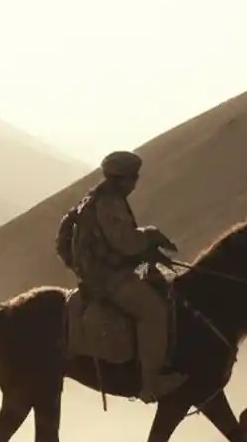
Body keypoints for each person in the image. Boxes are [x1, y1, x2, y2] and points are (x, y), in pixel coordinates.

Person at [64, 150, 186, 402]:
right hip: (107, 277)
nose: (135, 183)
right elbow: (126, 242)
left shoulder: (98, 197)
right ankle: (150, 383)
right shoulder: (109, 203)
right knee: (153, 311)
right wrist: (150, 236)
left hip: (107, 271)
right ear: (122, 179)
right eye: (133, 178)